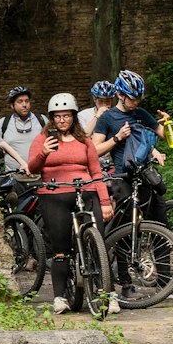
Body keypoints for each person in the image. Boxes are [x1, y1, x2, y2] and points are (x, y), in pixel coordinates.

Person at [29, 93, 114, 314]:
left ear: (73, 117)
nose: (62, 120)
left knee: (99, 244)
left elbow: (96, 172)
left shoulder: (84, 140)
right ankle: (59, 297)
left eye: (66, 116)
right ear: (52, 118)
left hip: (86, 192)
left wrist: (105, 201)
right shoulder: (43, 138)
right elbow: (32, 168)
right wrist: (43, 153)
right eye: (57, 117)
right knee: (61, 250)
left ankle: (108, 294)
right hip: (54, 196)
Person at [97, 70, 166, 222]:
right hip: (123, 177)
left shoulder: (140, 113)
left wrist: (168, 124)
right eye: (133, 99)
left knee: (159, 217)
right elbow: (95, 150)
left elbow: (163, 134)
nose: (136, 102)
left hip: (145, 175)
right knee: (125, 223)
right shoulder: (107, 118)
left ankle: (163, 245)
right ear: (120, 95)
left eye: (138, 99)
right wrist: (117, 137)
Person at [0, 86, 44, 176]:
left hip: (40, 176)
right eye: (20, 101)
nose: (24, 104)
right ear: (12, 105)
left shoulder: (42, 120)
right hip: (13, 177)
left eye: (27, 101)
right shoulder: (3, 124)